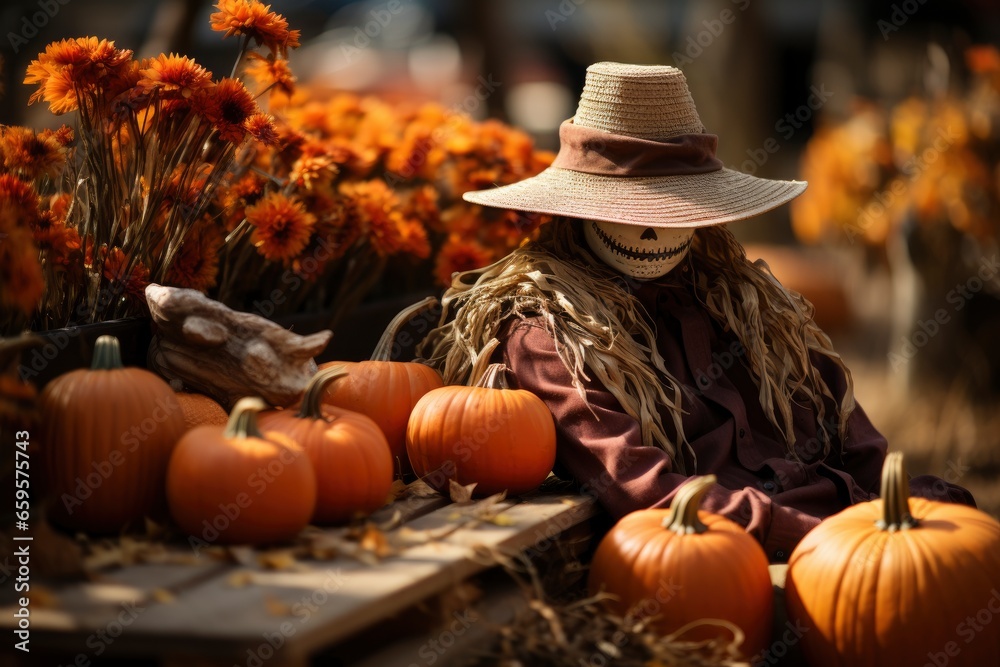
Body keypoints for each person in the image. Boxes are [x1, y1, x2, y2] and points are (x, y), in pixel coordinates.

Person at [417, 62, 974, 562]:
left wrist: (898, 506)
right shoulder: (554, 333)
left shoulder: (749, 301)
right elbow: (646, 493)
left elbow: (852, 436)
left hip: (860, 533)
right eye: (628, 209)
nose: (653, 228)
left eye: (675, 206)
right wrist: (814, 536)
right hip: (748, 559)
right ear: (575, 214)